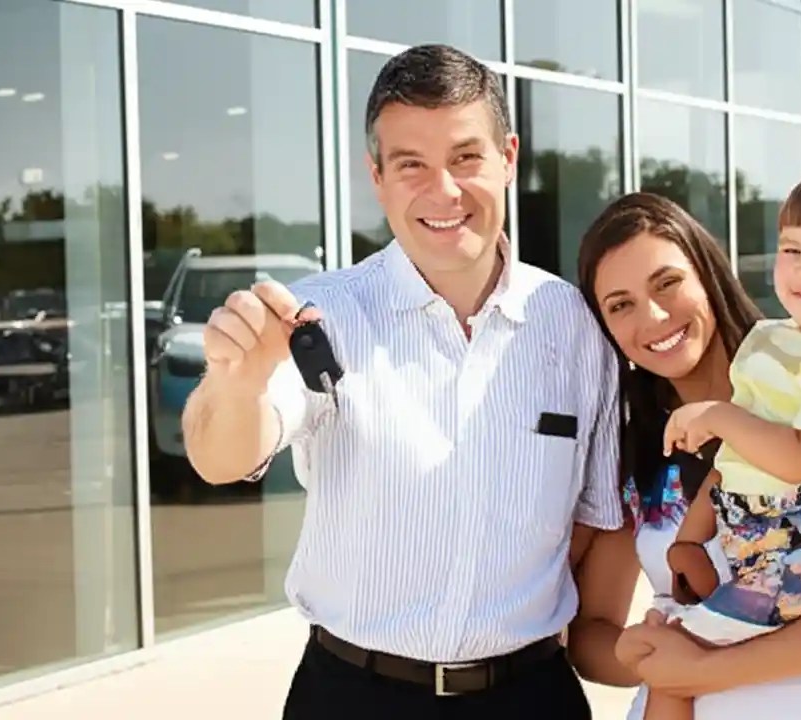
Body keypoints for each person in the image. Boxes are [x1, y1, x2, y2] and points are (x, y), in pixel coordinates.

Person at [181, 44, 623, 720]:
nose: (443, 191)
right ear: (377, 176)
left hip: (532, 697)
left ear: (508, 157)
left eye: (466, 158)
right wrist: (233, 386)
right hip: (354, 695)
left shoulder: (575, 325)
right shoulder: (321, 314)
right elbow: (222, 459)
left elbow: (591, 524)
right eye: (412, 164)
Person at [565, 192, 801, 719]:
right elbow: (592, 635)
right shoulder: (635, 452)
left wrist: (704, 665)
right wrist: (648, 655)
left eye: (668, 283)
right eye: (620, 305)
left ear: (709, 275)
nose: (653, 316)